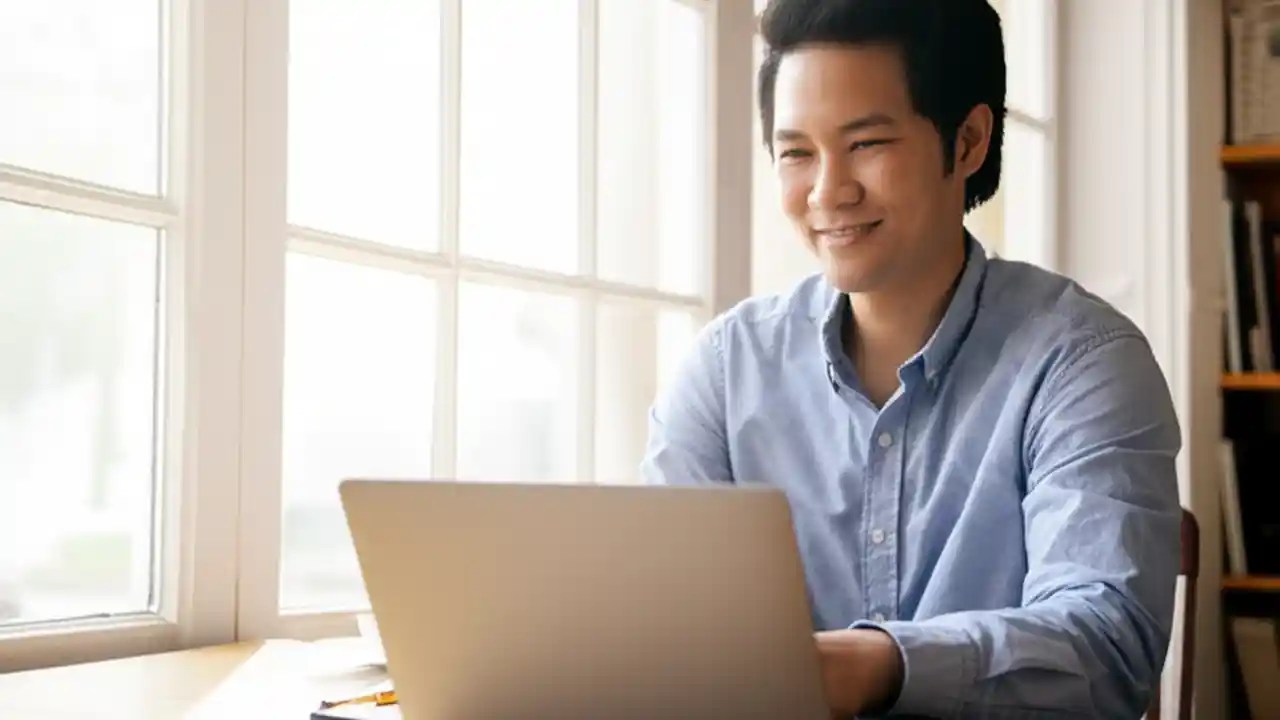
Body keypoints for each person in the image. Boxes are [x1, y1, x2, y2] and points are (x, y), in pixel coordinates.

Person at [641, 0, 1182, 717]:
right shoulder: (724, 369)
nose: (828, 192)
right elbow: (652, 625)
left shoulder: (1083, 362)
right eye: (797, 152)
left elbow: (1106, 649)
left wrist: (875, 665)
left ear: (967, 142)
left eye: (866, 143)